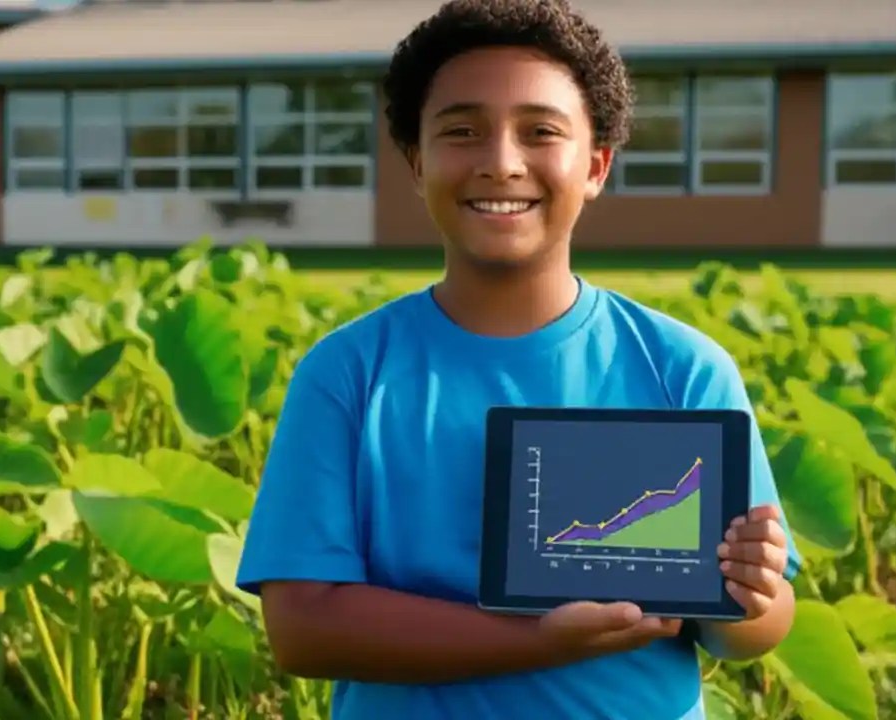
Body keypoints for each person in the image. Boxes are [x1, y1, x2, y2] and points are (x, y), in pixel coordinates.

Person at [235, 0, 802, 717]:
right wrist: (540, 639)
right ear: (416, 161)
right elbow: (304, 628)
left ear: (596, 165)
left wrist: (752, 592)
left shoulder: (682, 367)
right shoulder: (349, 372)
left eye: (540, 132)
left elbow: (750, 630)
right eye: (462, 131)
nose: (501, 163)